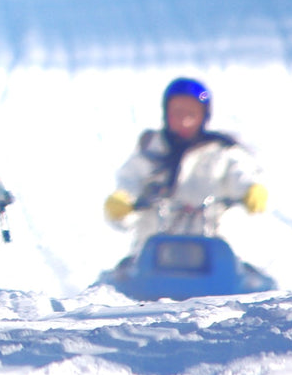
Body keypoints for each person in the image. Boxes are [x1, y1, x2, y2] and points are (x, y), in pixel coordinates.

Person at [104, 77, 267, 254]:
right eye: (178, 113)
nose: (185, 121)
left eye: (192, 114)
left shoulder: (222, 153)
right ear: (166, 113)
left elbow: (242, 174)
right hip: (154, 256)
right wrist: (122, 201)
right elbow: (130, 181)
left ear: (204, 116)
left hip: (212, 254)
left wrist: (252, 190)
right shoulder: (151, 151)